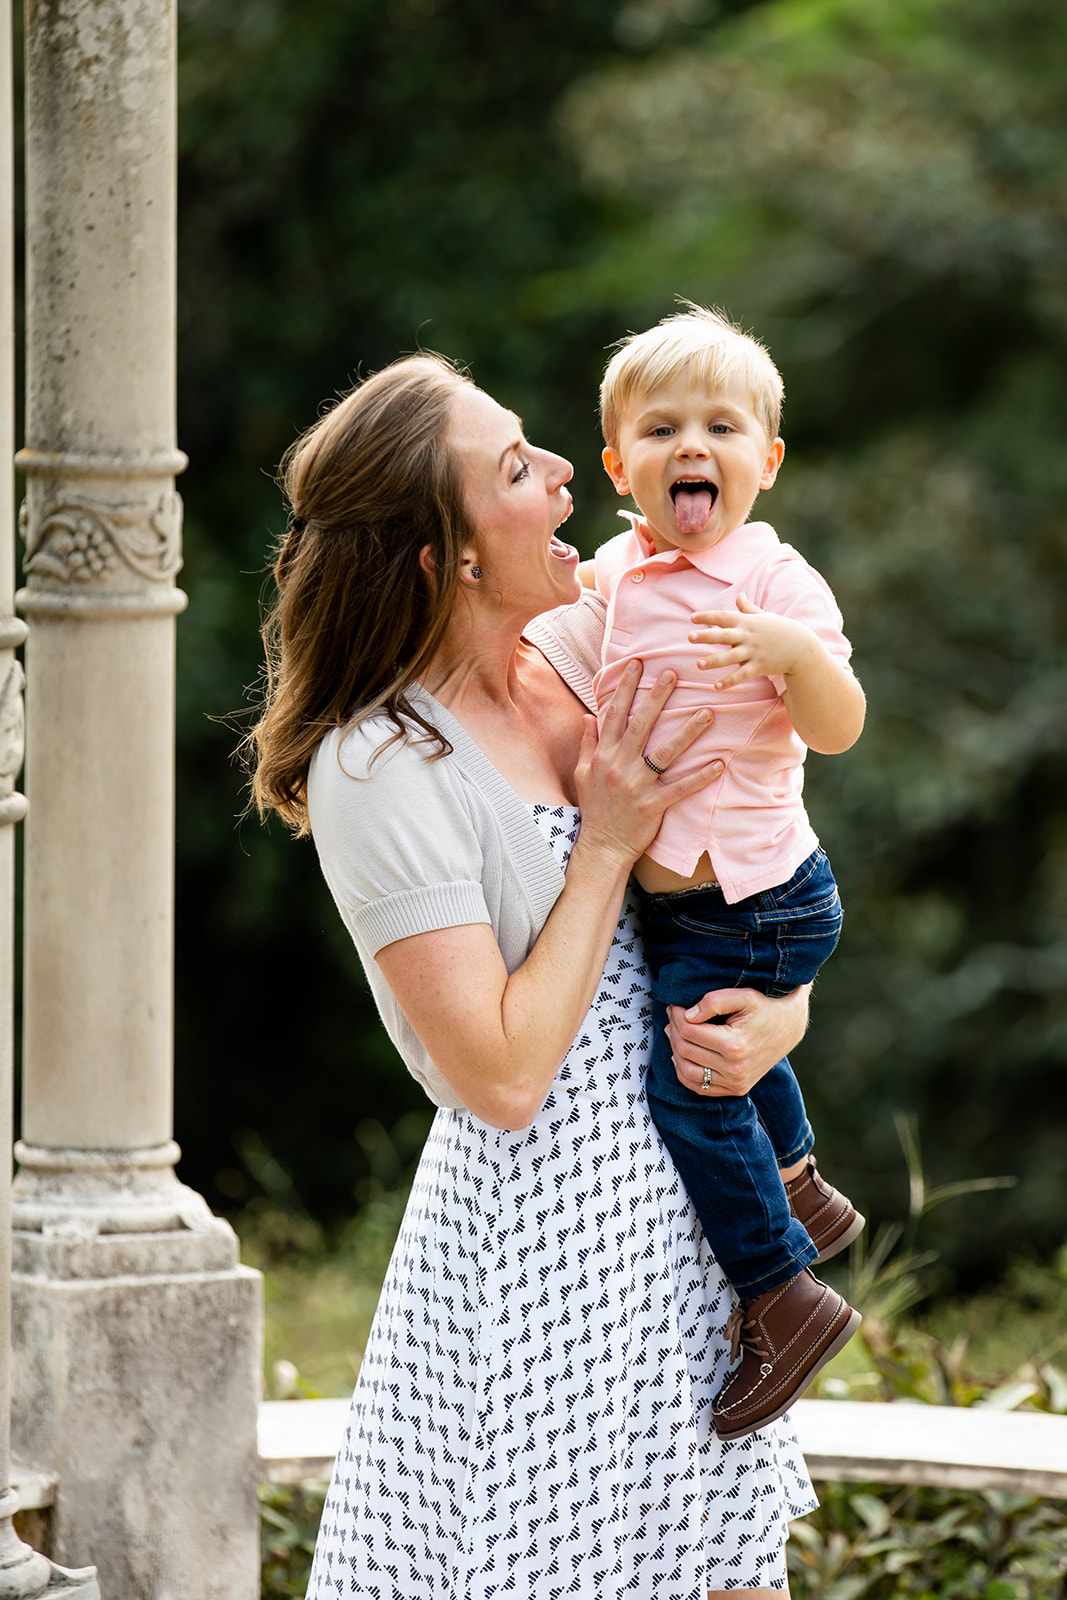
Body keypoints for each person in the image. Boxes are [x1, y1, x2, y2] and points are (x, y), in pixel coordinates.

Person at [249, 351, 825, 1598]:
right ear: (444, 553)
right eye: (517, 467)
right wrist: (606, 842)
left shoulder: (584, 661)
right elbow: (503, 1076)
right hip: (547, 1250)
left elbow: (748, 889)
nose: (568, 471)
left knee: (734, 1577)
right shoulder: (378, 766)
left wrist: (780, 1015)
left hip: (692, 1217)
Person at [582, 303, 867, 1441]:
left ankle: (779, 1295)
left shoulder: (778, 584)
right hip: (694, 906)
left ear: (766, 461)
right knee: (717, 1055)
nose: (688, 448)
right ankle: (797, 1183)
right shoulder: (615, 569)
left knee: (686, 1086)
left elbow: (838, 725)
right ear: (619, 466)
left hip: (757, 894)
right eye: (659, 431)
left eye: (719, 427)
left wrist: (792, 659)